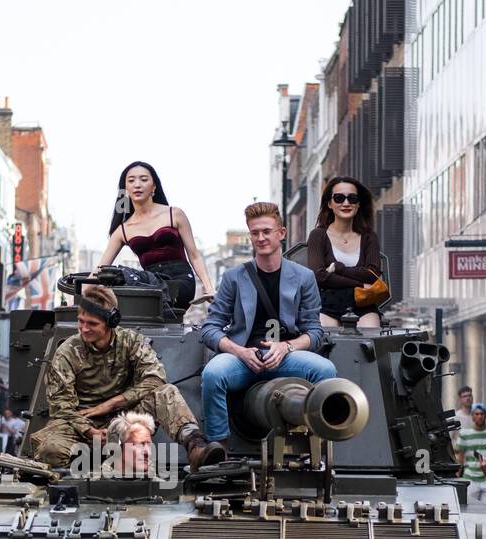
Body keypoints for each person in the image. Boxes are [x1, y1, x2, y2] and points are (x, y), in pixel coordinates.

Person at [30, 284, 223, 468]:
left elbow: (155, 379)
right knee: (50, 449)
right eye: (81, 321)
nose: (84, 328)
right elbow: (61, 406)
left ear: (110, 323)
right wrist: (90, 431)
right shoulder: (67, 351)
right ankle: (89, 470)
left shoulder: (130, 342)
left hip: (124, 420)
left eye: (92, 323)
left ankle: (196, 446)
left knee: (166, 392)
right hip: (79, 423)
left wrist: (111, 404)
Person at [199, 202, 336, 444]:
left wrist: (286, 347)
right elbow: (210, 327)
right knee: (213, 374)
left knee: (326, 371)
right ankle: (217, 447)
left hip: (285, 357)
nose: (260, 238)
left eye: (266, 231)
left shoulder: (304, 278)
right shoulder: (233, 277)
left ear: (281, 233)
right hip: (242, 358)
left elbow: (314, 331)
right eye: (255, 232)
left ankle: (315, 447)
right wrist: (239, 351)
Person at [97, 161, 215, 311]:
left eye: (144, 179)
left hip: (181, 282)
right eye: (131, 180)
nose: (137, 185)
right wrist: (83, 291)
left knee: (136, 282)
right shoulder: (123, 230)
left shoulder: (174, 214)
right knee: (120, 276)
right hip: (150, 284)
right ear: (125, 189)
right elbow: (100, 269)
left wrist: (208, 287)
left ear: (153, 187)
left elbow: (194, 255)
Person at [305, 176, 382, 328]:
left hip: (363, 305)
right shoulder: (318, 235)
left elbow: (373, 275)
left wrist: (338, 269)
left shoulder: (369, 237)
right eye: (339, 198)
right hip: (327, 306)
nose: (346, 203)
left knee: (371, 336)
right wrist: (361, 283)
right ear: (329, 203)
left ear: (359, 204)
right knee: (323, 338)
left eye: (352, 198)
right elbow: (319, 277)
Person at [458, 403, 486, 504]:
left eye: (482, 414)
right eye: (477, 414)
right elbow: (460, 456)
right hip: (470, 478)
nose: (480, 416)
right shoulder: (465, 433)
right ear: (472, 415)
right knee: (469, 508)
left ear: (485, 415)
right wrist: (457, 475)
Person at [106, 411, 156, 476]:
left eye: (149, 445)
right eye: (139, 445)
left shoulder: (159, 485)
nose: (148, 453)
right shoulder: (93, 484)